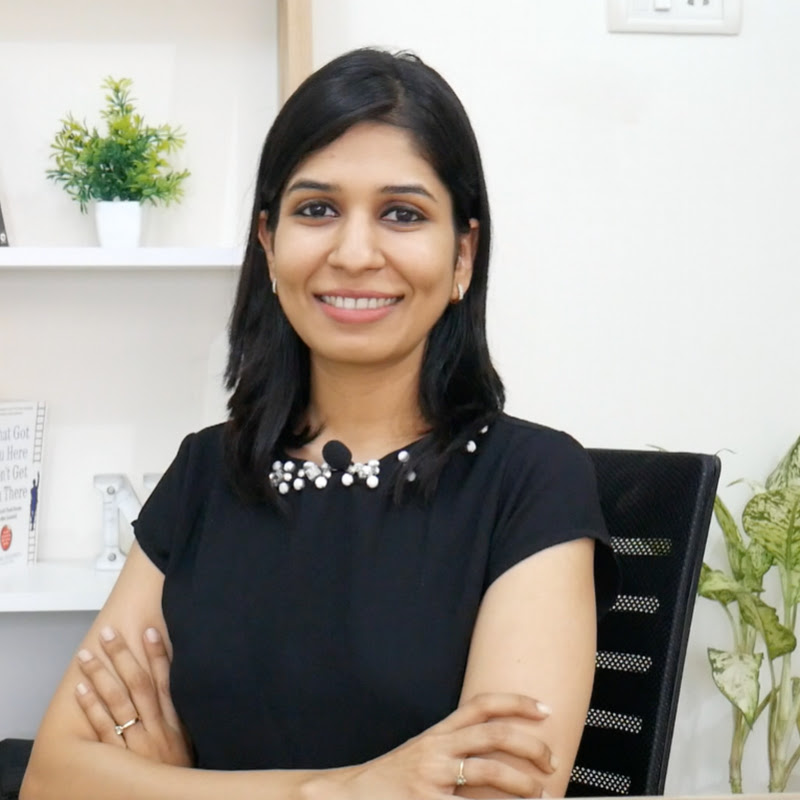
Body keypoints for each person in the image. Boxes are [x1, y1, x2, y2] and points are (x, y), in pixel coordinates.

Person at [21, 48, 617, 800]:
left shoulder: (532, 481)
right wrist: (353, 788)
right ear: (269, 244)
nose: (355, 253)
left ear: (463, 254)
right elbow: (53, 779)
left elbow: (500, 792)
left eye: (402, 214)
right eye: (316, 210)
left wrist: (171, 787)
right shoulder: (206, 472)